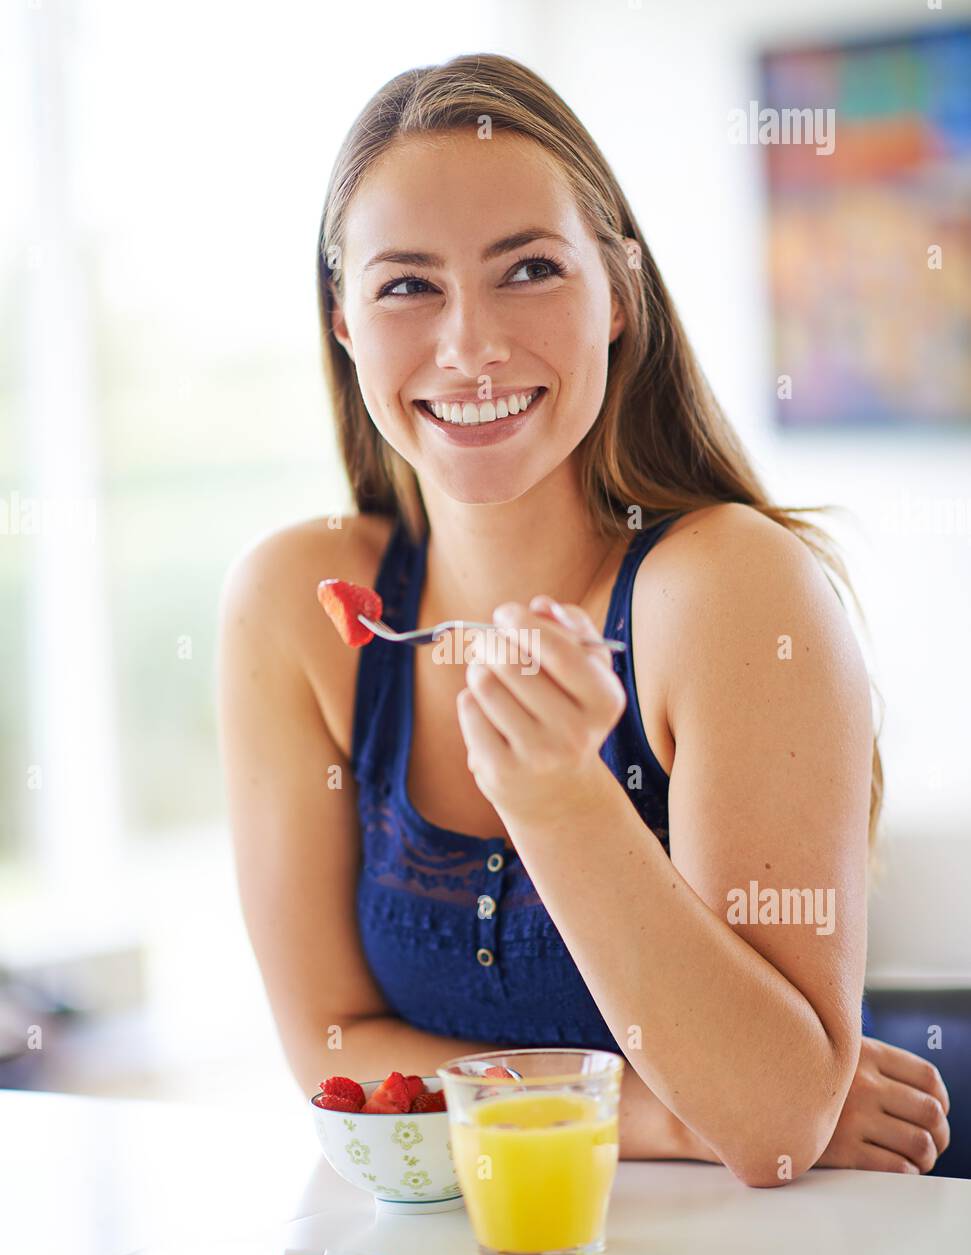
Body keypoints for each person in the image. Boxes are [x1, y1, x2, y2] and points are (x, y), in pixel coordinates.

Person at [217, 54, 949, 1186]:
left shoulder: (733, 592)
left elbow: (764, 1128)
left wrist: (561, 799)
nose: (470, 346)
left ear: (618, 295)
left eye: (527, 269)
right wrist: (657, 1111)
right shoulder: (295, 608)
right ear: (345, 323)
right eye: (407, 285)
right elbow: (332, 1055)